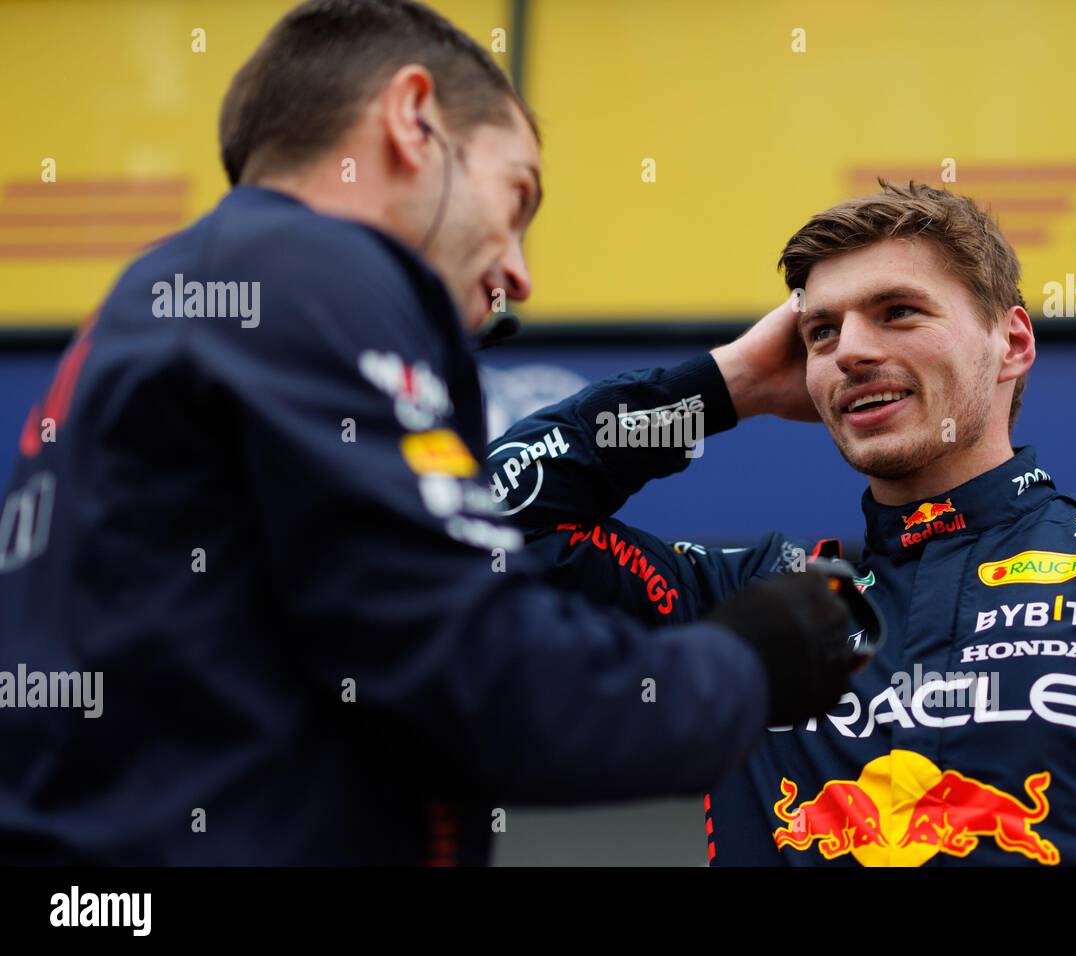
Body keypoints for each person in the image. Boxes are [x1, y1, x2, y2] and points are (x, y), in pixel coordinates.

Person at [0, 0, 861, 865]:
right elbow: (483, 664)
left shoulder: (173, 296)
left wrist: (722, 388)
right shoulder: (310, 269)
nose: (520, 276)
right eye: (517, 196)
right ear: (413, 120)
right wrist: (747, 666)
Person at [493, 180, 1076, 866]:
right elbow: (486, 523)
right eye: (821, 333)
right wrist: (723, 385)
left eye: (898, 312)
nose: (849, 350)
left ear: (1012, 341)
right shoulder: (749, 596)